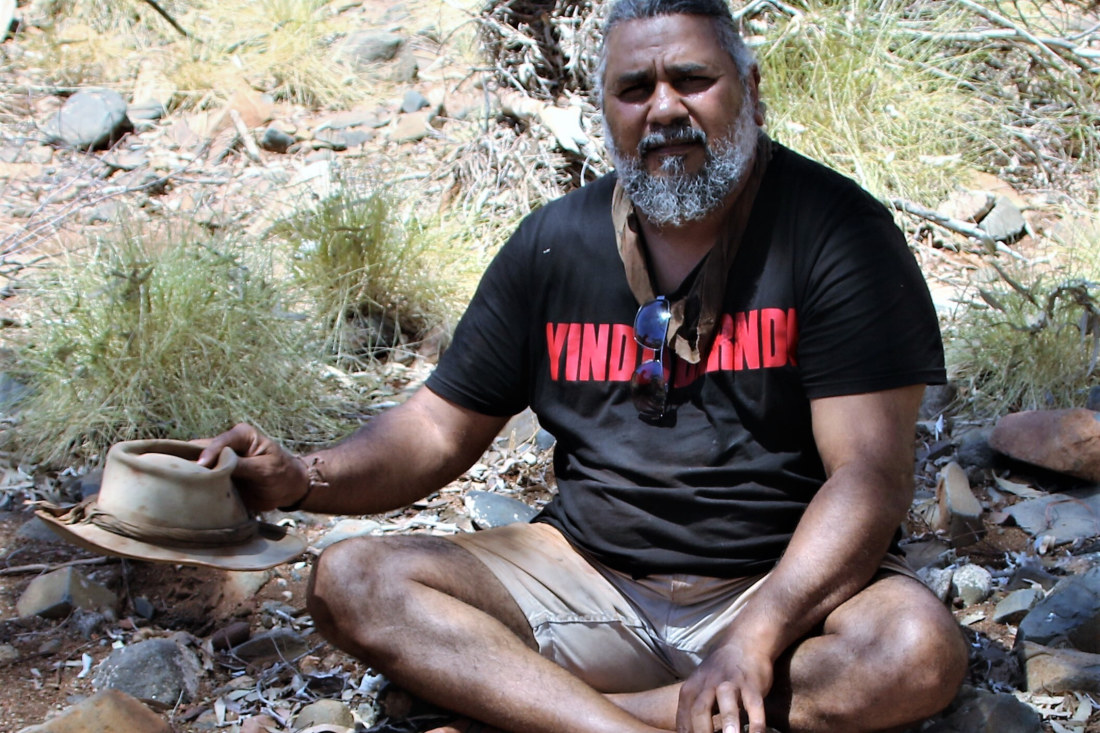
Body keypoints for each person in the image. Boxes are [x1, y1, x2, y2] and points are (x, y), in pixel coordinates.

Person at [198, 0, 968, 730]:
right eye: (635, 89)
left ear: (751, 91)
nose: (664, 109)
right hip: (586, 578)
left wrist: (755, 636)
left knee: (915, 652)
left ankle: (540, 708)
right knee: (352, 582)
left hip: (777, 588)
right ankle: (648, 718)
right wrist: (305, 477)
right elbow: (437, 427)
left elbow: (869, 473)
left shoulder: (837, 232)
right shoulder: (553, 244)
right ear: (604, 110)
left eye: (692, 80)